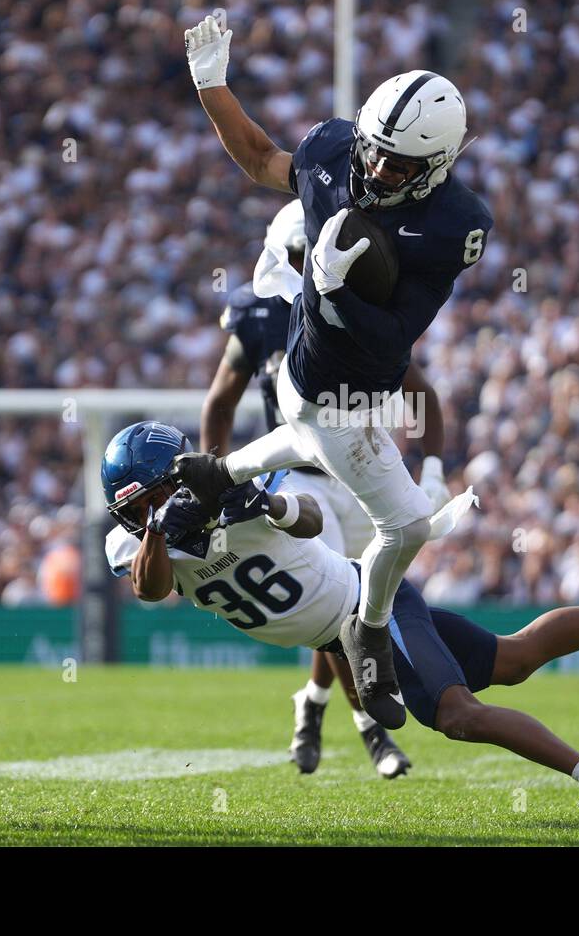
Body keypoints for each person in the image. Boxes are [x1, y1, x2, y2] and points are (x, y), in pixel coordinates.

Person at [100, 420, 579, 826]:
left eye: (159, 493)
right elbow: (151, 587)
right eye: (143, 502)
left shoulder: (229, 493)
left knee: (455, 715)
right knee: (511, 660)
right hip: (343, 631)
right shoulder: (139, 546)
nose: (157, 505)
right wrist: (162, 524)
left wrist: (265, 502)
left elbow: (314, 519)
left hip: (370, 609)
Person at [174, 15, 493, 729]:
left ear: (438, 166)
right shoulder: (331, 150)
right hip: (331, 398)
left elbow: (396, 339)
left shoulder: (452, 224)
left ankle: (220, 475)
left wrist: (333, 292)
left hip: (347, 380)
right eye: (377, 154)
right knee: (408, 529)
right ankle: (369, 627)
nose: (379, 171)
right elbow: (260, 157)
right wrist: (211, 84)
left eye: (400, 166)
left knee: (305, 440)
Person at [201, 199, 449, 777]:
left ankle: (310, 704)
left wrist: (433, 472)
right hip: (297, 472)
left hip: (361, 473)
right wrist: (217, 477)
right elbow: (220, 400)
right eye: (290, 255)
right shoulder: (261, 316)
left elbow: (424, 394)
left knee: (358, 602)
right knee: (341, 601)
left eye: (304, 253)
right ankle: (370, 731)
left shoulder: (357, 306)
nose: (299, 263)